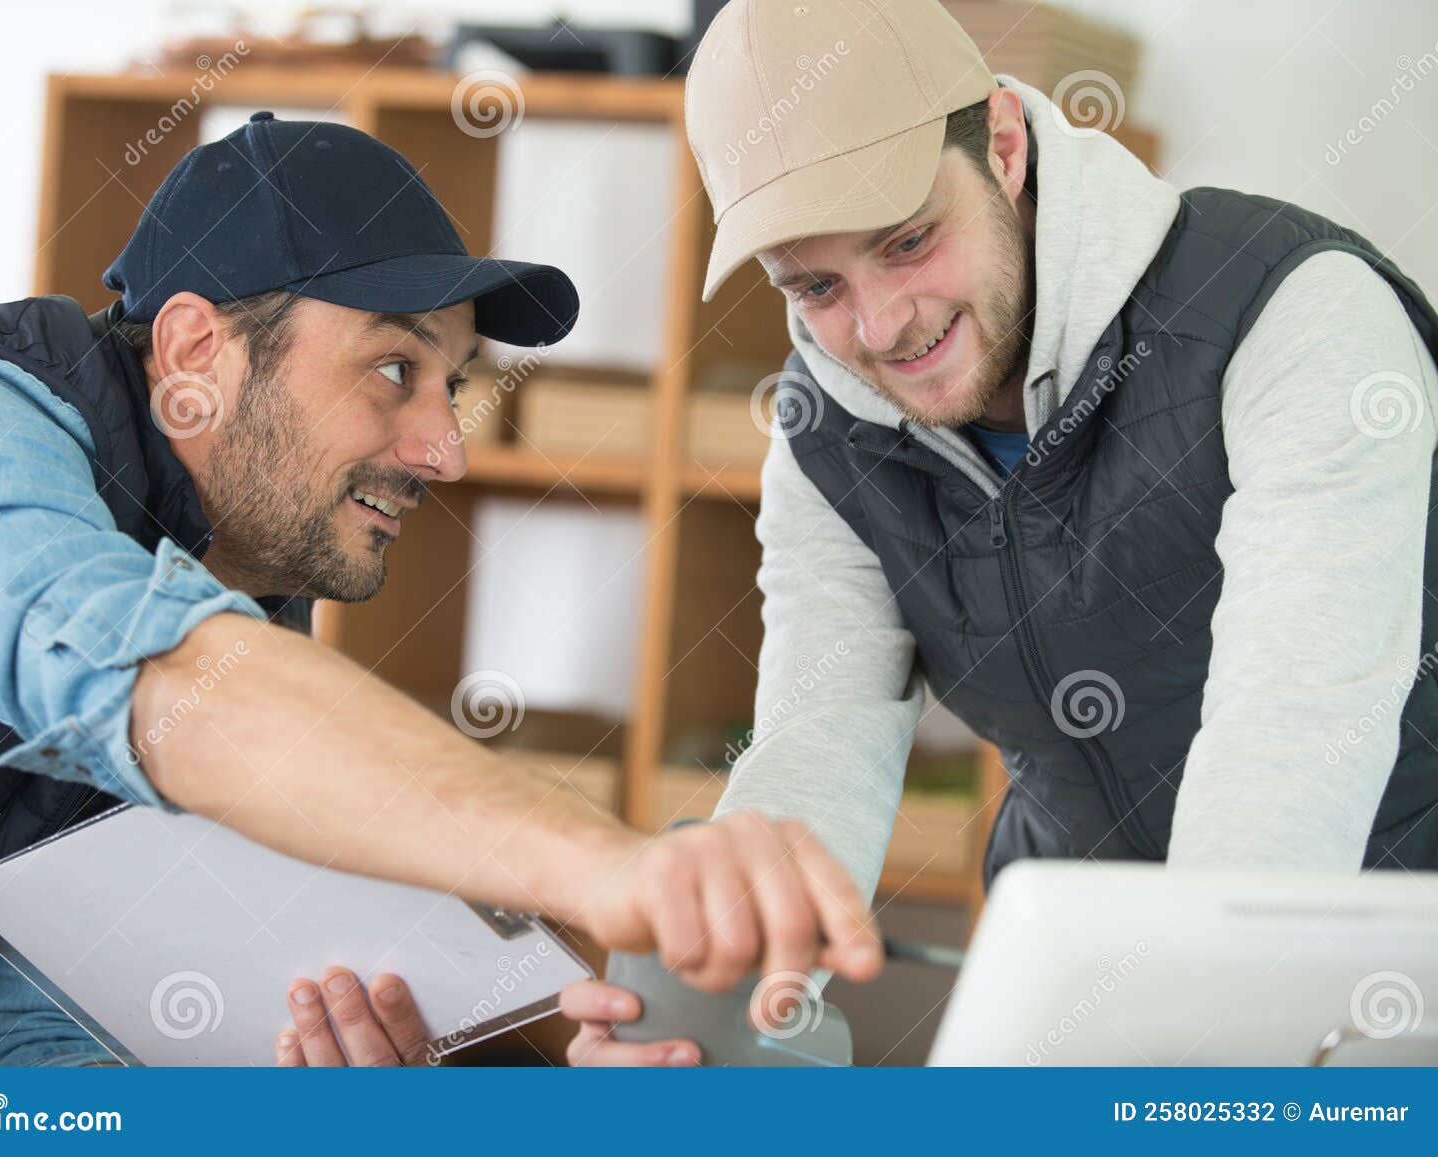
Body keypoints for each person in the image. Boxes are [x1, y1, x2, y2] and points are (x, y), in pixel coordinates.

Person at [0, 112, 880, 1067]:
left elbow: (36, 1028)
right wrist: (604, 866)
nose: (445, 451)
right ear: (195, 350)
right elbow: (146, 670)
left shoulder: (249, 586)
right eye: (393, 369)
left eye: (454, 385)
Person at [563, 0, 1438, 1064]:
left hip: (1380, 961)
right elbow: (820, 740)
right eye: (817, 286)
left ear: (1006, 145)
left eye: (907, 241)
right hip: (1076, 961)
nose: (882, 326)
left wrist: (1202, 1045)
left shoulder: (1294, 315)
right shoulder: (824, 429)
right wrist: (712, 1014)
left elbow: (1292, 739)